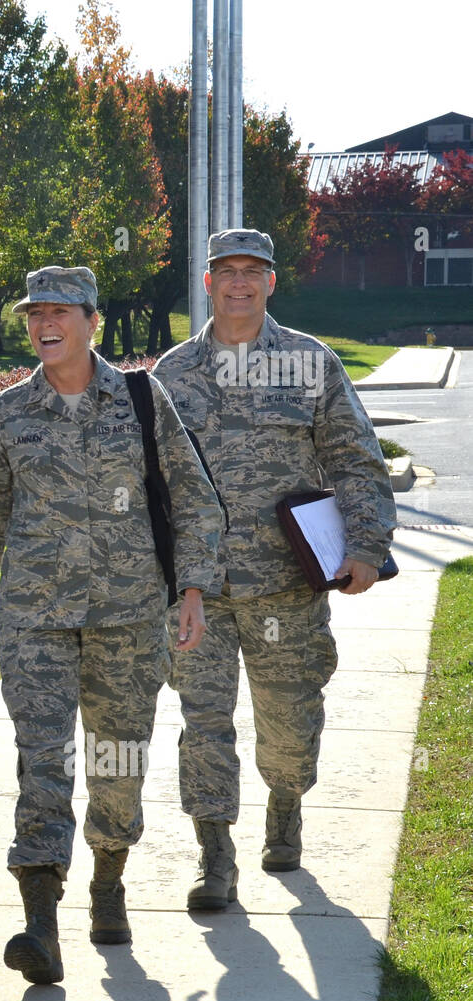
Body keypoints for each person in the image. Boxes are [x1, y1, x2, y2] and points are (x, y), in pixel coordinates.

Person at [0, 265, 222, 985]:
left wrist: (193, 588)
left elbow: (195, 499)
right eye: (33, 314)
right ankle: (40, 923)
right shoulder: (9, 415)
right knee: (42, 761)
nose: (45, 324)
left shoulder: (142, 399)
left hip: (128, 616)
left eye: (60, 312)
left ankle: (109, 878)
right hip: (34, 619)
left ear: (92, 321)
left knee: (116, 763)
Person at [153, 229, 396, 910]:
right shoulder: (173, 374)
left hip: (287, 590)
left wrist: (368, 546)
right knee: (205, 723)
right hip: (198, 590)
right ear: (207, 283)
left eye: (251, 272)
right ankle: (214, 855)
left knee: (289, 723)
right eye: (225, 272)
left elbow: (354, 458)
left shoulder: (310, 363)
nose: (238, 283)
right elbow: (151, 482)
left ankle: (285, 800)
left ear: (270, 282)